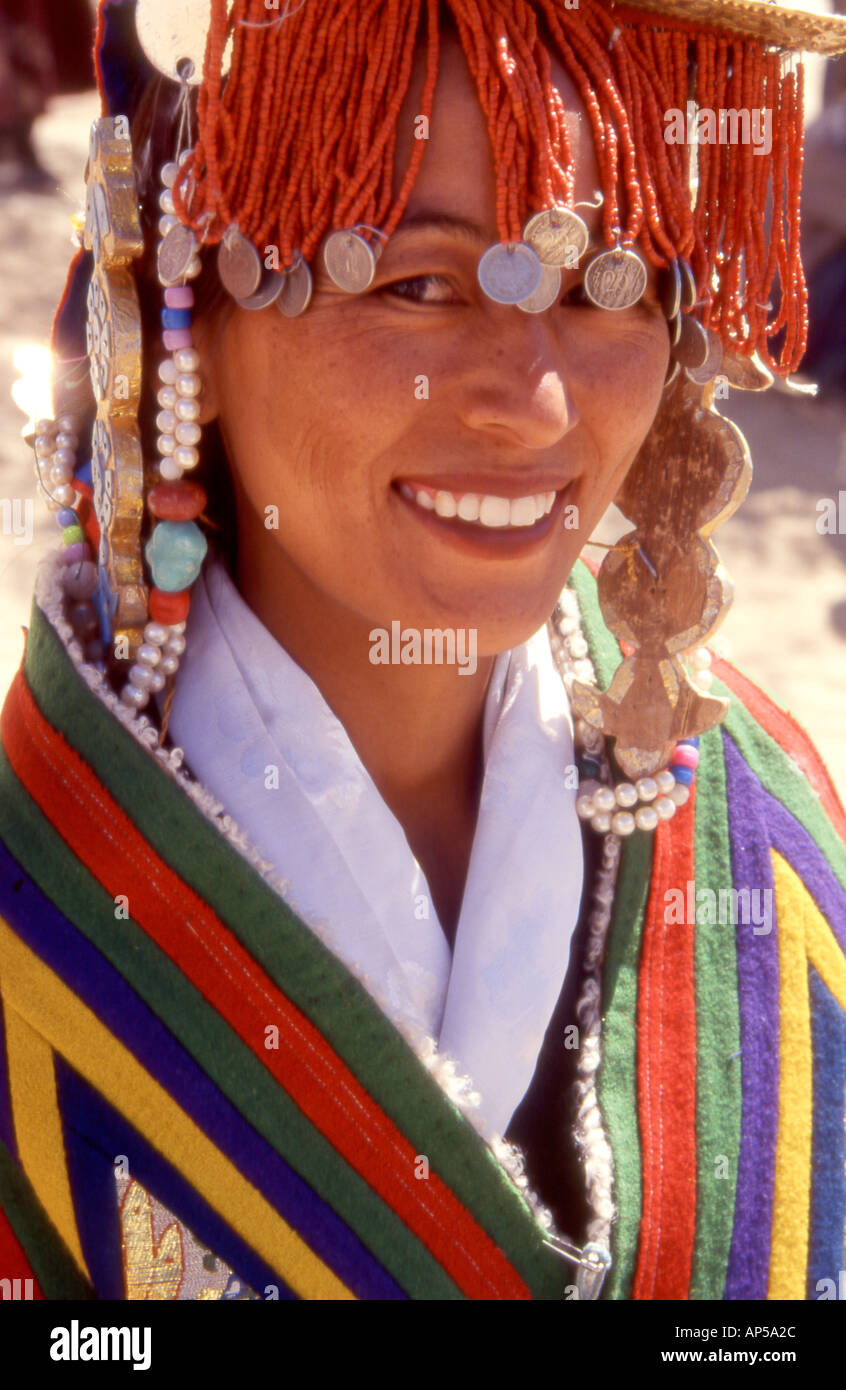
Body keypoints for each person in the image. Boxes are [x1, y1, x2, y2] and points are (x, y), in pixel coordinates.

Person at [0, 0, 844, 1303]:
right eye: (416, 284)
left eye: (605, 283)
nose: (537, 402)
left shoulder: (770, 830)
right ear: (186, 319)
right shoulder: (34, 883)